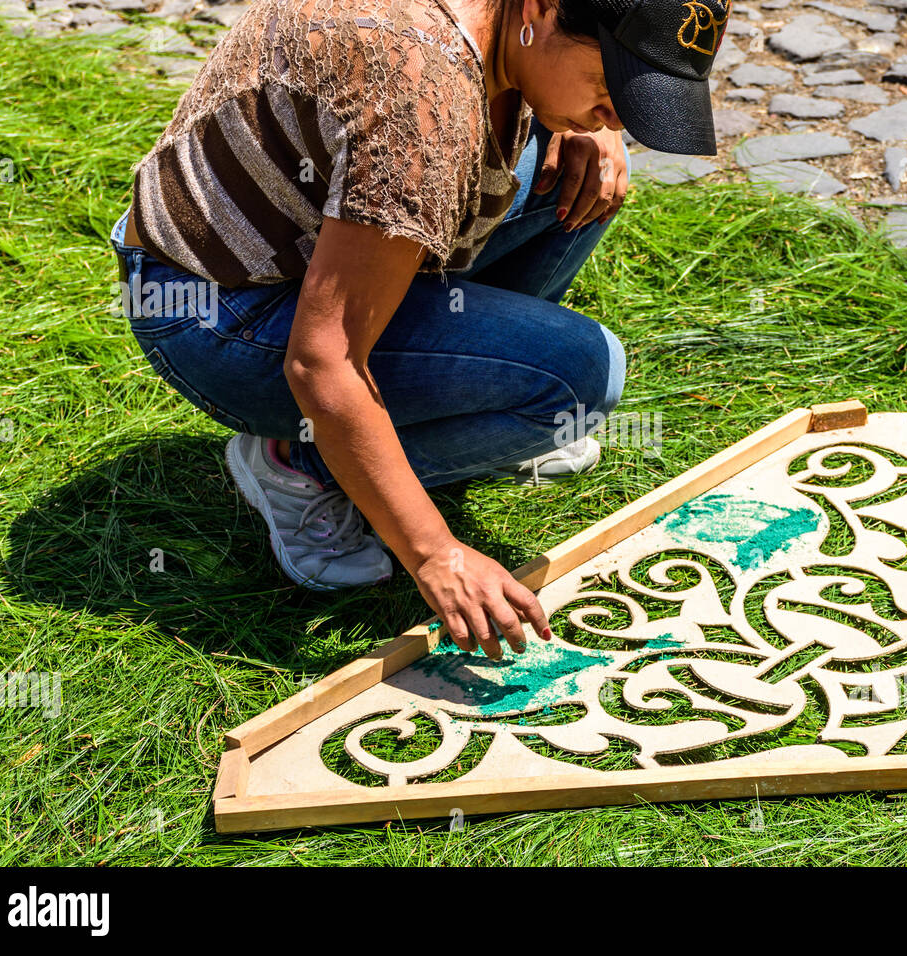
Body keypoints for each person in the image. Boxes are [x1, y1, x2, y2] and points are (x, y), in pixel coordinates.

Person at [108, 0, 729, 661]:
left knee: (580, 173)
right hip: (215, 311)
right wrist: (436, 555)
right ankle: (302, 465)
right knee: (579, 378)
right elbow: (324, 362)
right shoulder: (423, 105)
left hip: (295, 242)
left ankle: (451, 401)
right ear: (545, 10)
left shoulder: (495, 32)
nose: (621, 117)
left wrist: (591, 126)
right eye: (612, 89)